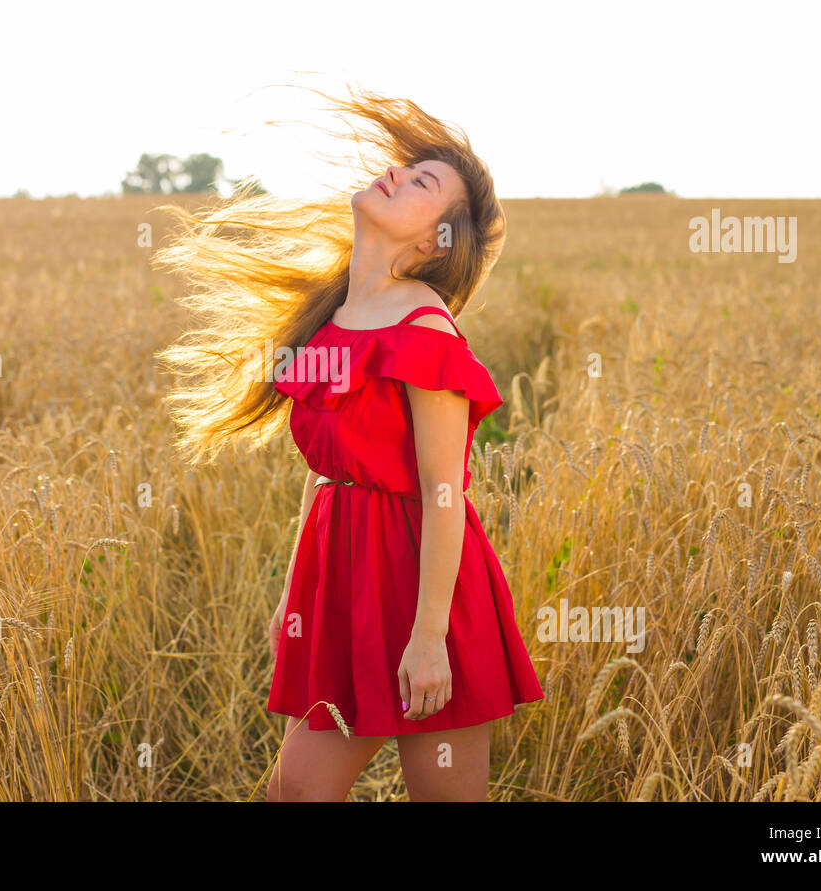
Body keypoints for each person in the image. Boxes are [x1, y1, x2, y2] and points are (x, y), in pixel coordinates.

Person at [152, 85, 544, 801]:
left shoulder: (424, 329)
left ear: (433, 242)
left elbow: (444, 491)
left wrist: (429, 640)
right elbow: (324, 471)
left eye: (423, 181)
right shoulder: (337, 320)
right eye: (408, 168)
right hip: (341, 580)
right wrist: (292, 596)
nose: (397, 174)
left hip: (426, 584)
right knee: (295, 793)